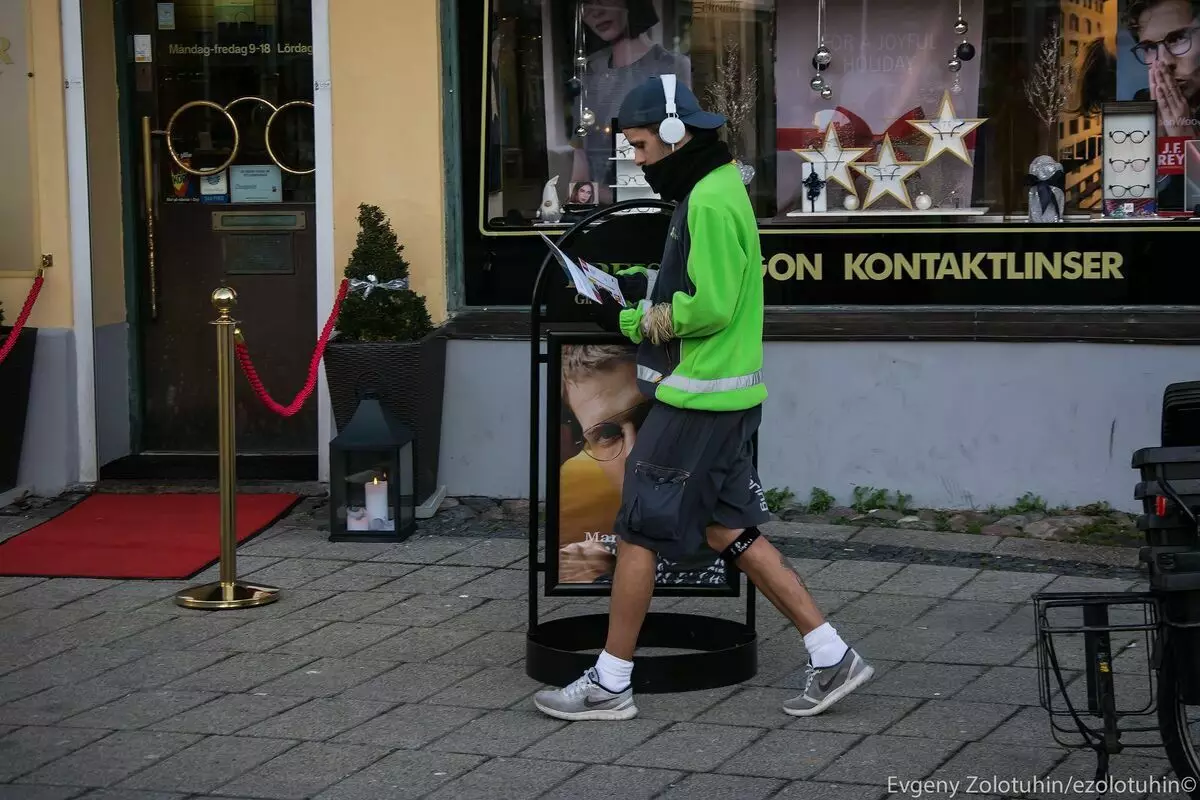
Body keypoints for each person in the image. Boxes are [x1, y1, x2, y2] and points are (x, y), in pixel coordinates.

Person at [533, 75, 874, 722]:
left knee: (636, 528)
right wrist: (629, 286)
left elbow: (711, 306)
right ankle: (832, 655)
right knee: (729, 530)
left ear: (672, 135)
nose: (635, 158)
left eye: (638, 145)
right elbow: (694, 282)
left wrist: (633, 322)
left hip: (697, 403)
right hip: (720, 399)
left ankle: (610, 681)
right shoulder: (712, 190)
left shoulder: (709, 202)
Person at [558, 344, 729, 587]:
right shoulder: (586, 561)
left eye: (649, 417)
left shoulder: (732, 551)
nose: (633, 454)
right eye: (607, 433)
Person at [571, 0, 691, 204]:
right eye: (587, 4)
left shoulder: (672, 66)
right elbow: (580, 157)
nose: (596, 12)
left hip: (654, 205)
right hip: (598, 214)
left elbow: (683, 150)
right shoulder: (589, 71)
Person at [1126, 0, 1200, 208]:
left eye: (1177, 38)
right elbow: (1131, 208)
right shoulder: (1142, 107)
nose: (1165, 61)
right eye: (1149, 47)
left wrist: (1186, 145)